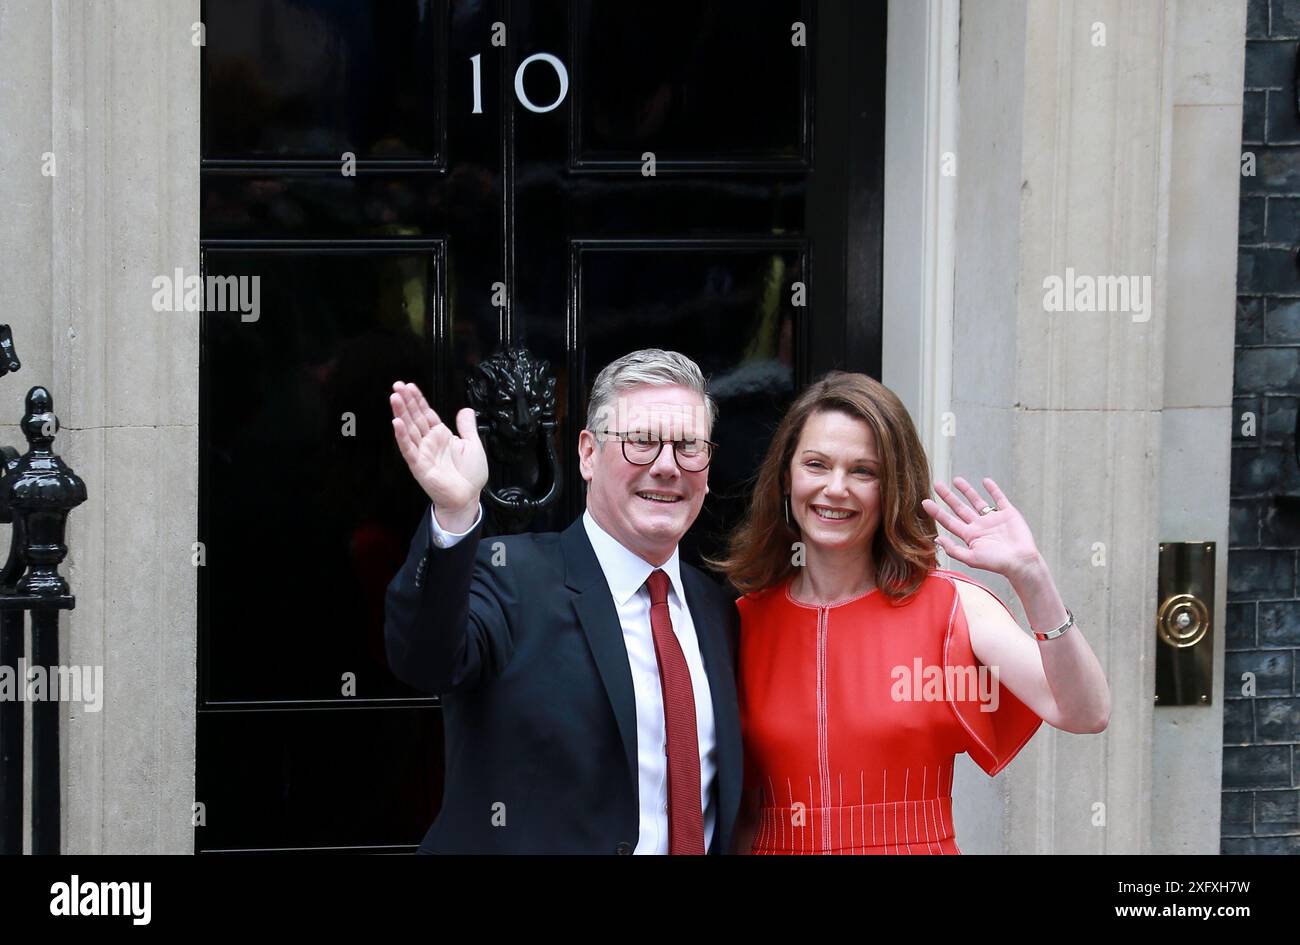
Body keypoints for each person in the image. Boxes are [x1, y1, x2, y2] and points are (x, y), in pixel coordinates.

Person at [714, 371, 1110, 854]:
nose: (835, 488)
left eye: (863, 471)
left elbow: (1085, 712)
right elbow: (744, 810)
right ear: (786, 477)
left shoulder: (951, 606)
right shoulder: (741, 623)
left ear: (892, 487)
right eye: (816, 464)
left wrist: (1031, 577)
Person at [384, 349, 742, 854]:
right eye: (641, 442)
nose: (667, 466)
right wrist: (454, 513)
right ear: (588, 454)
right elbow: (423, 660)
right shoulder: (509, 578)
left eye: (688, 446)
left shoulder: (717, 611)